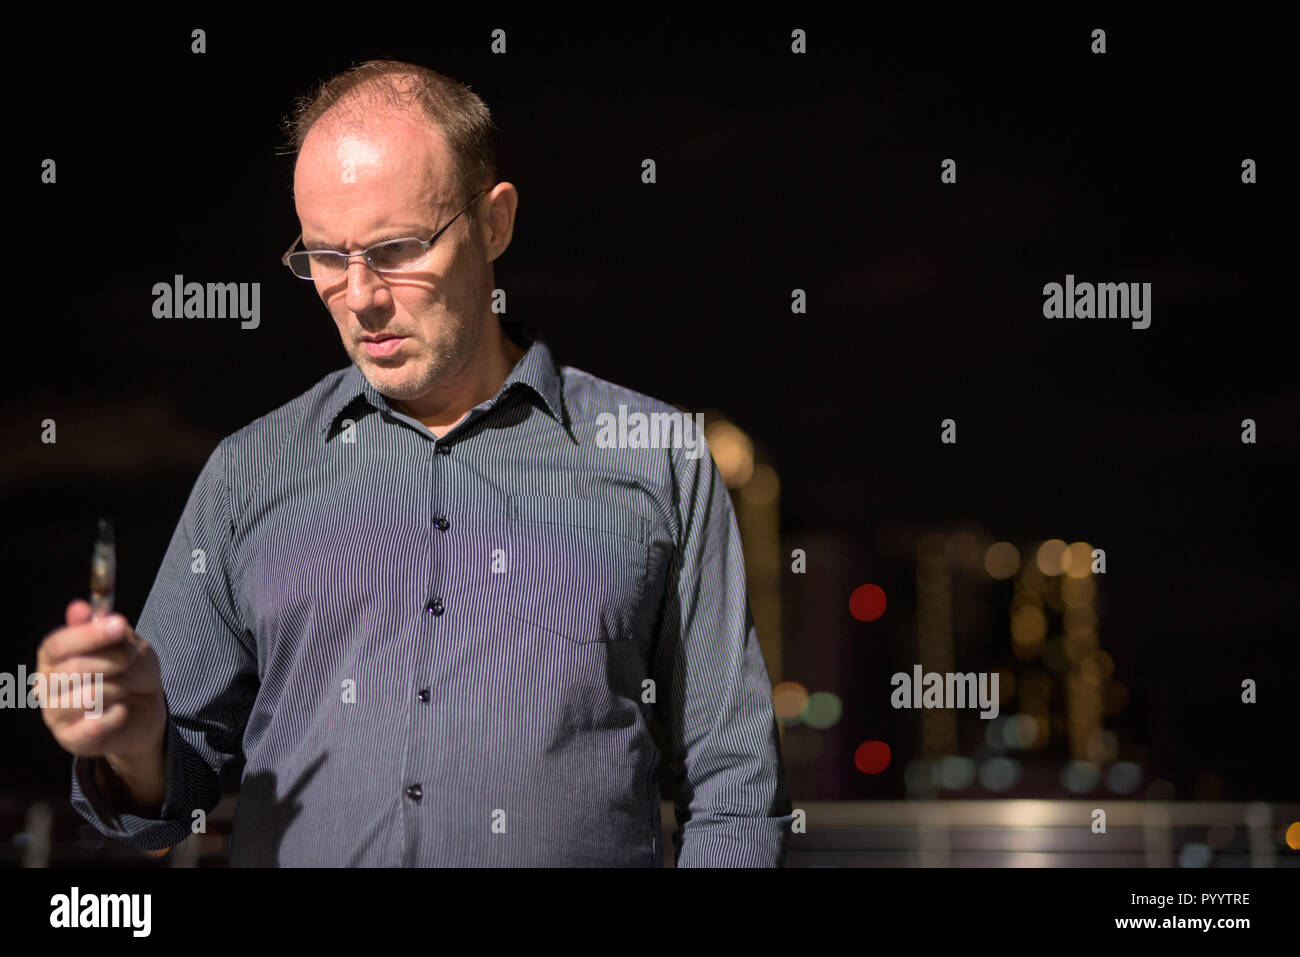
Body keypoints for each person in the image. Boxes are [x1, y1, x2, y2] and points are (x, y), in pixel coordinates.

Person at [36, 59, 793, 866]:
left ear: (495, 222)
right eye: (326, 257)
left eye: (396, 248)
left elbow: (737, 787)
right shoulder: (245, 472)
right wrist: (134, 745)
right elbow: (164, 802)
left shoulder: (658, 458)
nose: (361, 296)